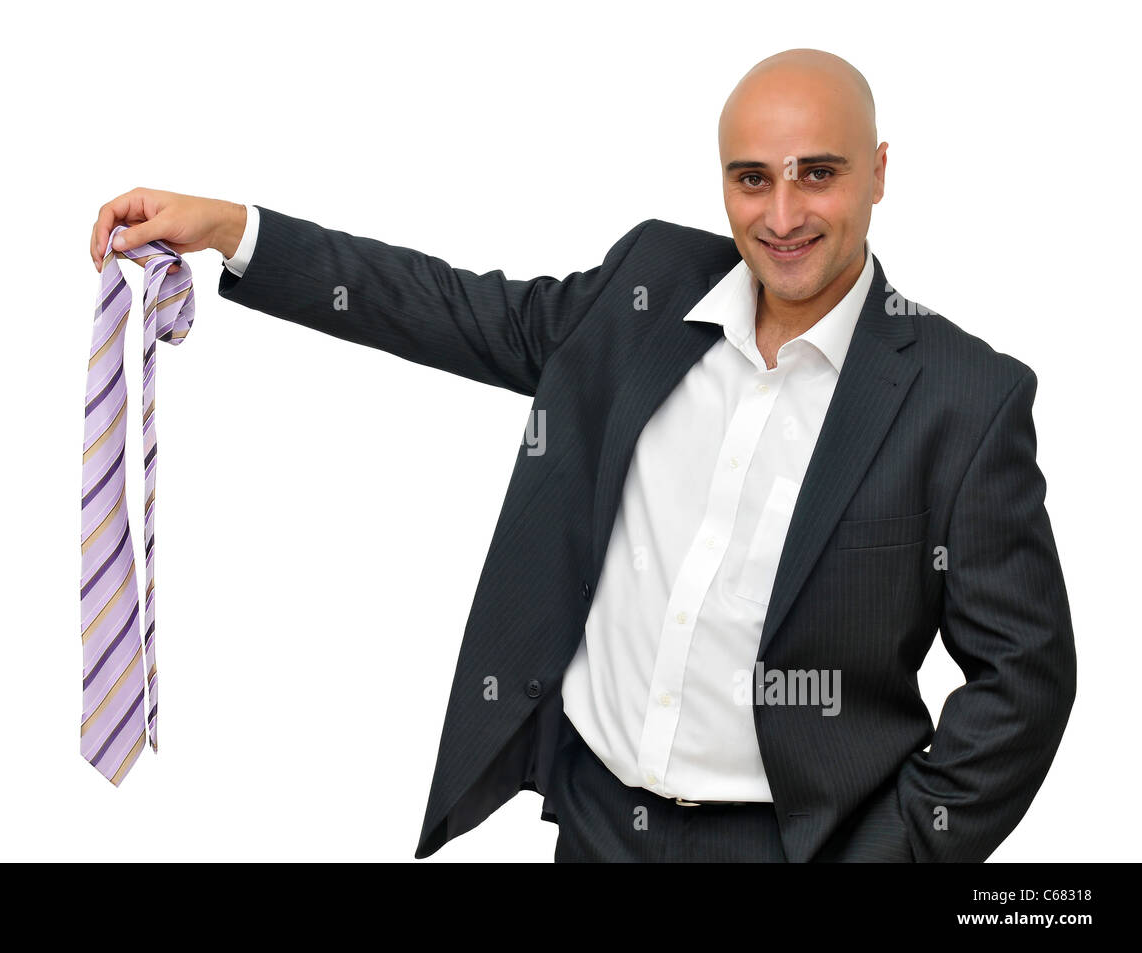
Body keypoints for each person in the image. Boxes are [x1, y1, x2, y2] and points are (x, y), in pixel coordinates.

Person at [89, 48, 1075, 862]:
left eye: (817, 172)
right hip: (600, 823)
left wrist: (894, 855)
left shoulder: (963, 396)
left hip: (788, 846)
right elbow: (454, 310)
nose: (781, 216)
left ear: (878, 170)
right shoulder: (648, 288)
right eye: (751, 178)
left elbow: (1022, 679)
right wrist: (233, 231)